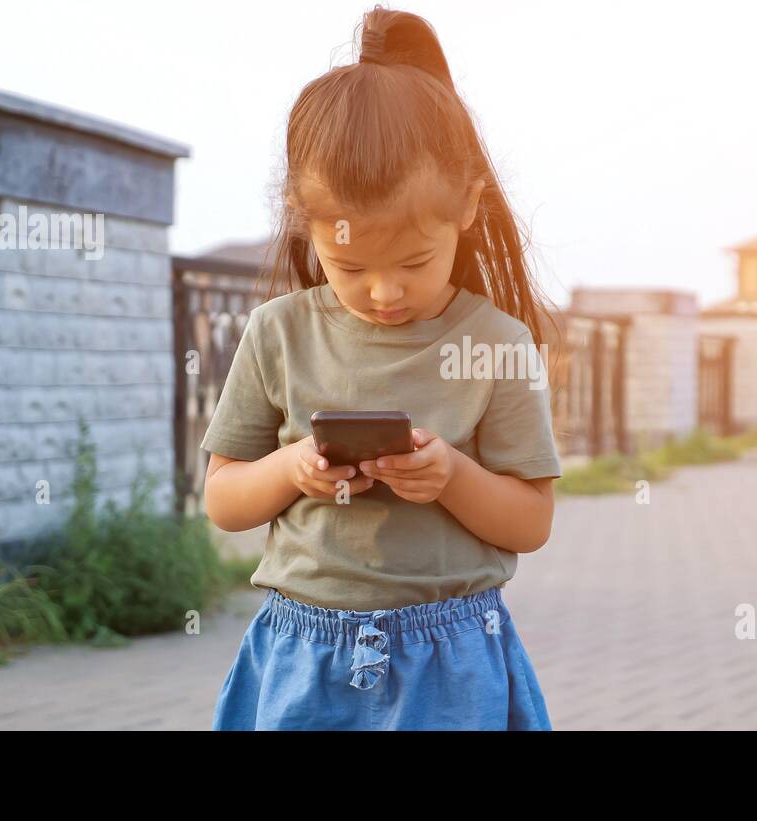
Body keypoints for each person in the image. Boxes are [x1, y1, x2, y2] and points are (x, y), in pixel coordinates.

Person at [201, 6, 561, 730]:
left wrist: (452, 477)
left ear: (466, 205)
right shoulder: (277, 333)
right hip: (304, 656)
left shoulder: (498, 341)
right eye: (351, 264)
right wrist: (295, 467)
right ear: (304, 219)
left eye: (415, 261)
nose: (385, 291)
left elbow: (530, 520)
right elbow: (224, 498)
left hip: (450, 661)